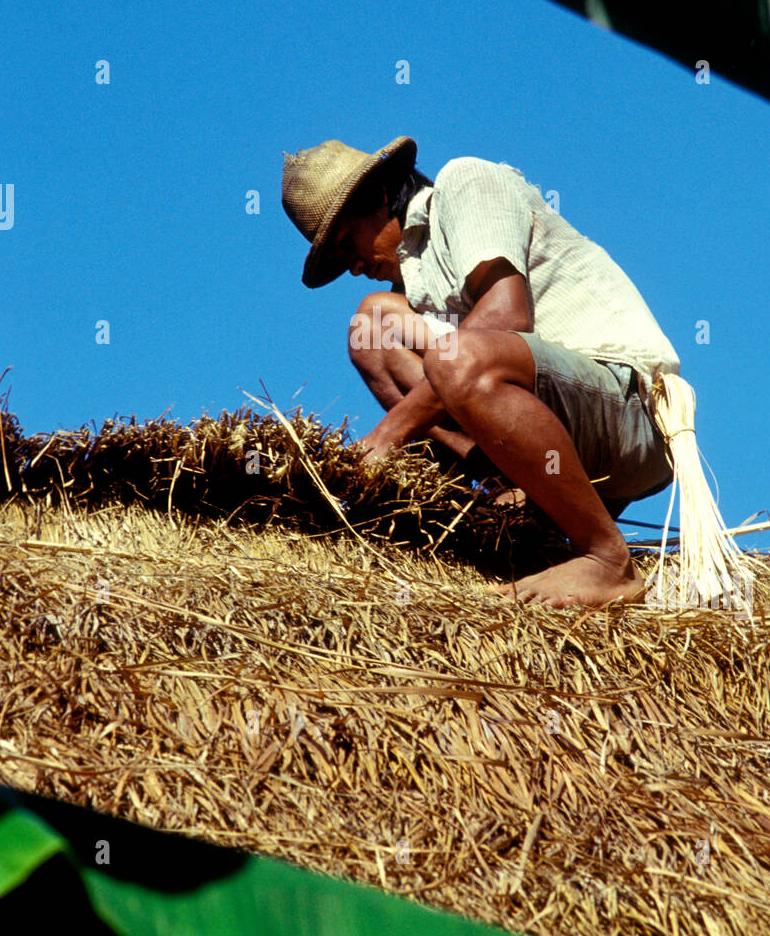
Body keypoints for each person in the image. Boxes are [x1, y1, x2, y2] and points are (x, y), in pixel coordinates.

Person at [281, 135, 680, 609]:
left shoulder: (465, 181)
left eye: (347, 244)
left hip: (631, 411)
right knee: (372, 325)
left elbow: (508, 316)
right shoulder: (421, 277)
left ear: (378, 197)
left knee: (457, 358)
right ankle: (509, 491)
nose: (352, 267)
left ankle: (607, 560)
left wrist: (388, 436)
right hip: (552, 416)